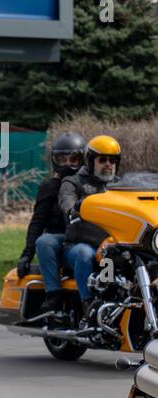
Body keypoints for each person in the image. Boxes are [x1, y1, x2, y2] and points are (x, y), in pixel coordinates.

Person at [17, 133, 85, 322]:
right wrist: (26, 254)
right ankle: (53, 294)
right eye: (62, 160)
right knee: (45, 241)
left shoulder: (88, 186)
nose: (68, 165)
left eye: (73, 159)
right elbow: (38, 221)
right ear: (55, 160)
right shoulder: (49, 187)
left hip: (85, 238)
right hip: (59, 238)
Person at [61, 135, 122, 324]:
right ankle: (90, 305)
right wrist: (76, 208)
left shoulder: (120, 186)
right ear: (90, 161)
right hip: (77, 246)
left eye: (112, 160)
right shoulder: (73, 182)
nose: (108, 164)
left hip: (111, 246)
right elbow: (67, 205)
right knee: (84, 253)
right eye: (102, 160)